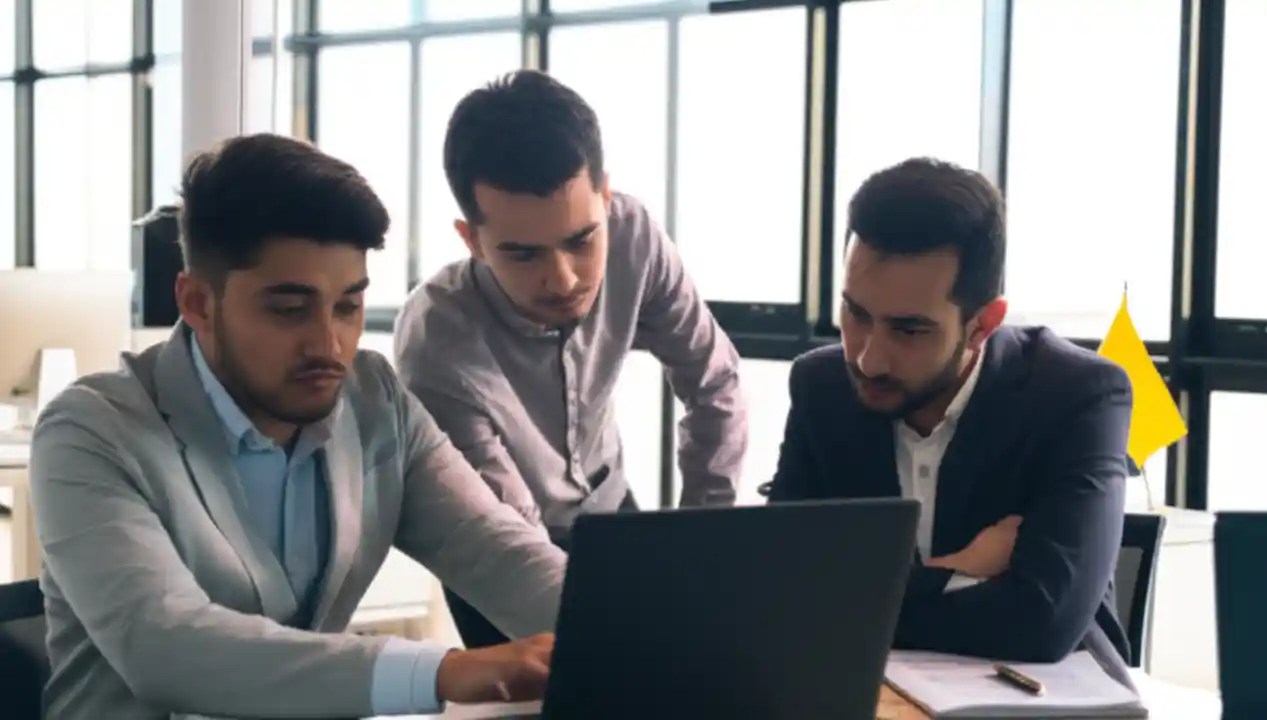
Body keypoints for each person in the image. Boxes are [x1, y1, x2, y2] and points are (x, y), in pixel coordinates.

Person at [29, 134, 566, 719]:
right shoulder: (89, 432)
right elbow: (165, 643)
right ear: (198, 303)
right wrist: (446, 672)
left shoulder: (374, 400)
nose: (328, 345)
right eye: (289, 309)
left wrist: (633, 628)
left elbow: (498, 552)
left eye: (348, 306)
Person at [393, 70, 748, 647]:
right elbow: (511, 533)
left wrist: (699, 542)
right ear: (471, 239)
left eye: (581, 239)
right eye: (522, 253)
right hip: (498, 545)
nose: (562, 279)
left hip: (610, 511)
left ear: (605, 198)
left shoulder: (634, 236)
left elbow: (715, 385)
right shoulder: (437, 340)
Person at [768, 157, 1134, 668]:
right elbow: (777, 594)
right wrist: (956, 570)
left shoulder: (1078, 395)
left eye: (909, 330)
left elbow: (1042, 624)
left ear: (983, 324)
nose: (868, 358)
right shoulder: (822, 388)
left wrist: (854, 603)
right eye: (856, 313)